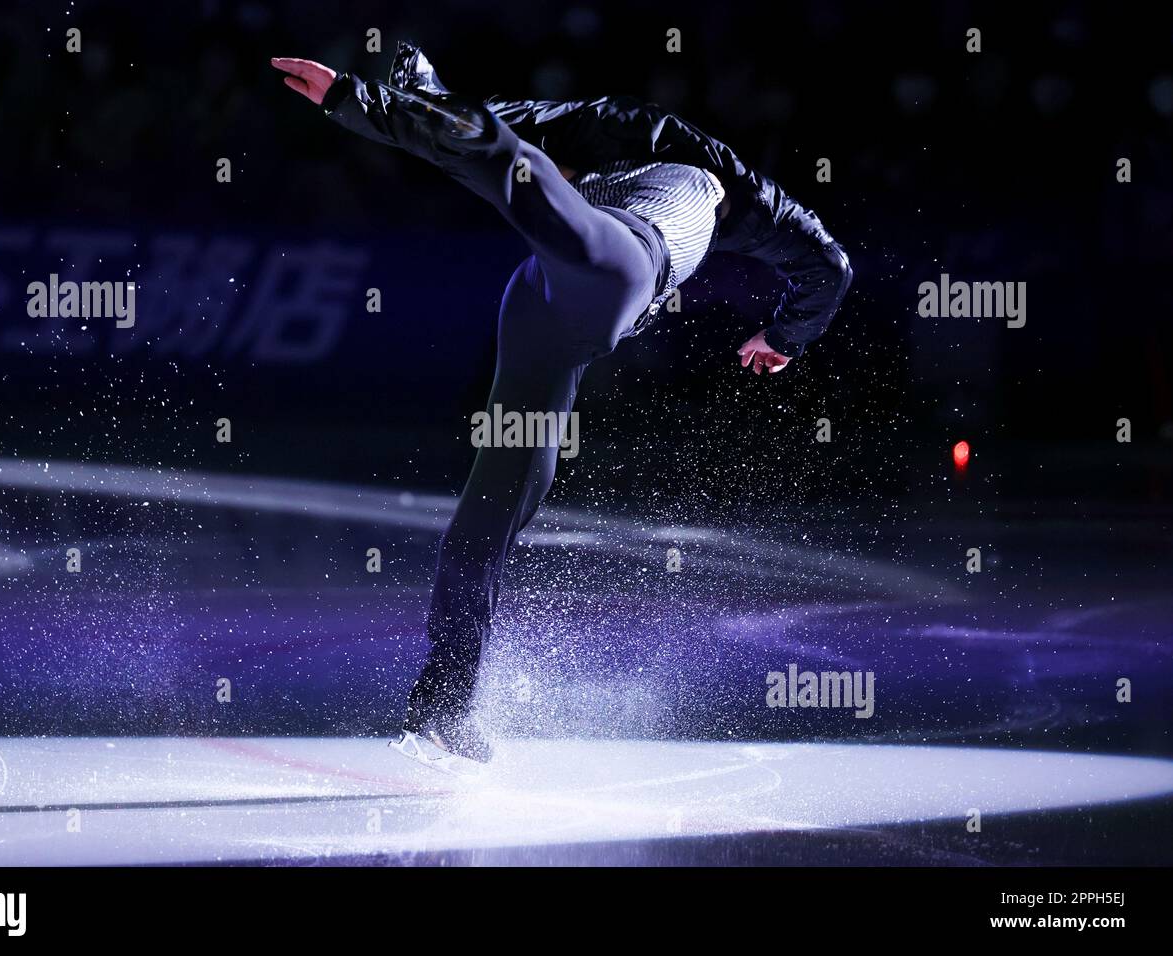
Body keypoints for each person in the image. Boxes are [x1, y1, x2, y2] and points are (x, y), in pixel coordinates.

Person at [271, 42, 851, 772]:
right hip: (572, 296)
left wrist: (392, 100)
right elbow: (479, 137)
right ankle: (444, 706)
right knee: (486, 515)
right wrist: (388, 99)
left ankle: (447, 704)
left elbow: (828, 266)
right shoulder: (604, 146)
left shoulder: (721, 187)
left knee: (493, 512)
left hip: (576, 292)